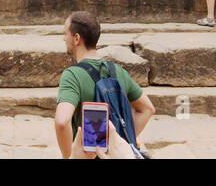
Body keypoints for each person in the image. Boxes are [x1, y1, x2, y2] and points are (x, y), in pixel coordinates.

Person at [54, 11, 153, 159]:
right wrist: (119, 142)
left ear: (76, 38)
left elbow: (62, 122)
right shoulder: (117, 71)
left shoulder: (72, 75)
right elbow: (147, 109)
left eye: (65, 33)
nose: (63, 38)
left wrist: (68, 156)